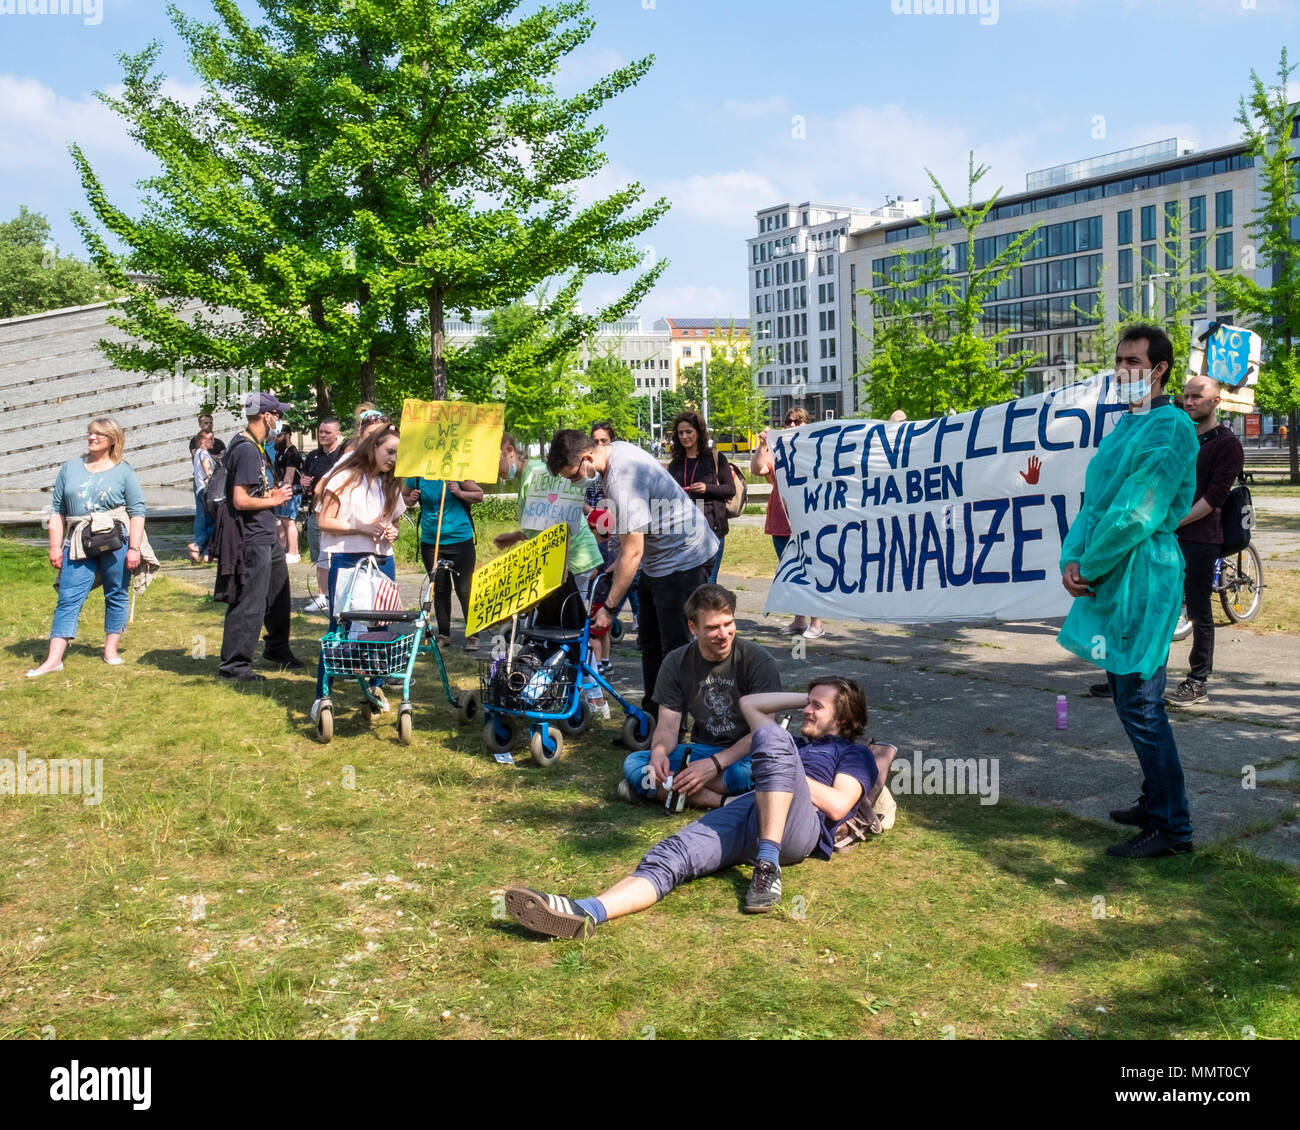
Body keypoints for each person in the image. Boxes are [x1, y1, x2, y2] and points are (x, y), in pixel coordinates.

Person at [504, 677, 889, 935]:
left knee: (771, 738)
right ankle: (586, 912)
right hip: (750, 812)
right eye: (807, 703)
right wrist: (807, 698)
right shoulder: (800, 744)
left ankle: (766, 867)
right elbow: (750, 704)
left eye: (817, 707)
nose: (807, 710)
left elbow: (839, 805)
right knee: (672, 854)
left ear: (845, 716)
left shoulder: (853, 753)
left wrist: (785, 770)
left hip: (795, 831)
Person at [1058, 324, 1198, 859]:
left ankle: (1172, 828)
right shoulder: (1122, 427)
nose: (1124, 370)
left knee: (1141, 703)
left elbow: (1137, 512)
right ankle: (1154, 799)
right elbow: (1094, 504)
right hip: (1110, 571)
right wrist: (1073, 557)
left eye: (1135, 361)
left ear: (1160, 369)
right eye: (1119, 360)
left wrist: (1089, 564)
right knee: (1126, 695)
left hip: (1143, 573)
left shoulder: (1170, 427)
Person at [546, 430, 718, 726]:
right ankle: (650, 717)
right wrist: (618, 558)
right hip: (658, 558)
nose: (574, 482)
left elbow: (633, 552)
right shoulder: (612, 454)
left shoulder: (622, 479)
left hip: (684, 558)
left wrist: (609, 610)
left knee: (674, 647)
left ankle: (673, 727)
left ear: (586, 457)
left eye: (573, 476)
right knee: (649, 642)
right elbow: (627, 531)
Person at [619, 583, 782, 809]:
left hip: (745, 754)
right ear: (692, 627)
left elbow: (762, 733)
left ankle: (659, 790)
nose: (724, 634)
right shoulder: (676, 662)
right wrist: (658, 754)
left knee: (766, 769)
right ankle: (725, 801)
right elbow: (667, 727)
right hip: (704, 749)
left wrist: (713, 765)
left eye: (729, 624)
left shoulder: (758, 661)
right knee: (635, 762)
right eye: (713, 627)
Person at [28, 418, 153, 677]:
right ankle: (54, 659)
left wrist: (135, 548)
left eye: (99, 434)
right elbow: (57, 511)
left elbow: (137, 510)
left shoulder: (124, 471)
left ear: (112, 440)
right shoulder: (70, 469)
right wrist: (54, 546)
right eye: (90, 433)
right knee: (68, 596)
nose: (92, 437)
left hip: (116, 539)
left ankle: (110, 651)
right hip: (78, 541)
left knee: (116, 592)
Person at [311, 424, 407, 720]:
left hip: (382, 561)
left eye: (398, 454)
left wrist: (393, 531)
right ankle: (322, 696)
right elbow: (324, 520)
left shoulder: (390, 483)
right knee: (339, 630)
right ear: (373, 448)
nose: (393, 459)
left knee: (381, 628)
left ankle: (375, 689)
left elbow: (396, 523)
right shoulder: (343, 477)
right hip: (348, 560)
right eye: (389, 452)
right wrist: (361, 528)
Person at [1165, 375, 1246, 706]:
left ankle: (1198, 681)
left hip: (1200, 538)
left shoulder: (1226, 444)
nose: (1189, 401)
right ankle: (1137, 676)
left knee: (1199, 610)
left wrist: (1174, 522)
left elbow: (1214, 498)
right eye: (1186, 395)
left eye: (1197, 396)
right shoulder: (1179, 437)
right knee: (1155, 606)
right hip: (1165, 535)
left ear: (1216, 402)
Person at [215, 392, 303, 682]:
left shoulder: (256, 446)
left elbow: (253, 491)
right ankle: (234, 666)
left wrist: (271, 494)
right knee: (250, 600)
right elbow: (240, 500)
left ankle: (277, 649)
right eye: (277, 415)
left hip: (265, 532)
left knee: (278, 595)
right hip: (251, 536)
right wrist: (274, 499)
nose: (280, 420)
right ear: (266, 416)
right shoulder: (247, 450)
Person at [750, 406, 824, 640]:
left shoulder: (816, 450)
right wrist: (763, 445)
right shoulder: (778, 449)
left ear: (807, 424)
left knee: (810, 570)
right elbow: (758, 469)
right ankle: (799, 620)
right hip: (781, 520)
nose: (791, 425)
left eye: (798, 421)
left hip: (808, 520)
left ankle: (817, 622)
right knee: (790, 571)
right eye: (788, 421)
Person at [403, 474, 484, 651]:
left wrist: (460, 493)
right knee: (439, 588)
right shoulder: (417, 477)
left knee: (464, 590)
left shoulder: (457, 473)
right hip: (431, 543)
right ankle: (443, 634)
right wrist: (410, 499)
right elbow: (403, 498)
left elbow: (479, 495)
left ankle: (473, 634)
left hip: (460, 541)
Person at [667, 410, 734, 585]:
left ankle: (709, 613)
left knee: (708, 582)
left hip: (712, 527)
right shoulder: (676, 463)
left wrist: (707, 488)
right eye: (680, 433)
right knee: (686, 583)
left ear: (699, 432)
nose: (684, 436)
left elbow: (730, 489)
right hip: (684, 530)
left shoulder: (715, 458)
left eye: (688, 431)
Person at [300, 417, 344, 612]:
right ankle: (322, 595)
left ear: (338, 434)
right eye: (321, 432)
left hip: (338, 512)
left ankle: (339, 593)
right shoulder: (313, 456)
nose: (323, 435)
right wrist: (304, 482)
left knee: (338, 554)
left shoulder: (343, 456)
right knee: (319, 554)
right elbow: (305, 478)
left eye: (327, 432)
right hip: (315, 510)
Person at [272, 428, 304, 564]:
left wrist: (284, 493)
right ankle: (281, 549)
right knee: (280, 520)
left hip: (291, 491)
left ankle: (294, 552)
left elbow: (289, 476)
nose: (276, 438)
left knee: (289, 520)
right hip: (280, 490)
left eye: (279, 435)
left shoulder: (292, 453)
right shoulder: (279, 453)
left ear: (288, 435)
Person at [188, 429, 217, 563]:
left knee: (208, 522)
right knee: (216, 522)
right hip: (206, 491)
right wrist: (212, 478)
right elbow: (207, 469)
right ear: (202, 441)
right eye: (210, 439)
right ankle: (197, 545)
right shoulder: (204, 453)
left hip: (200, 490)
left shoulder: (198, 453)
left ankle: (206, 554)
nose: (213, 441)